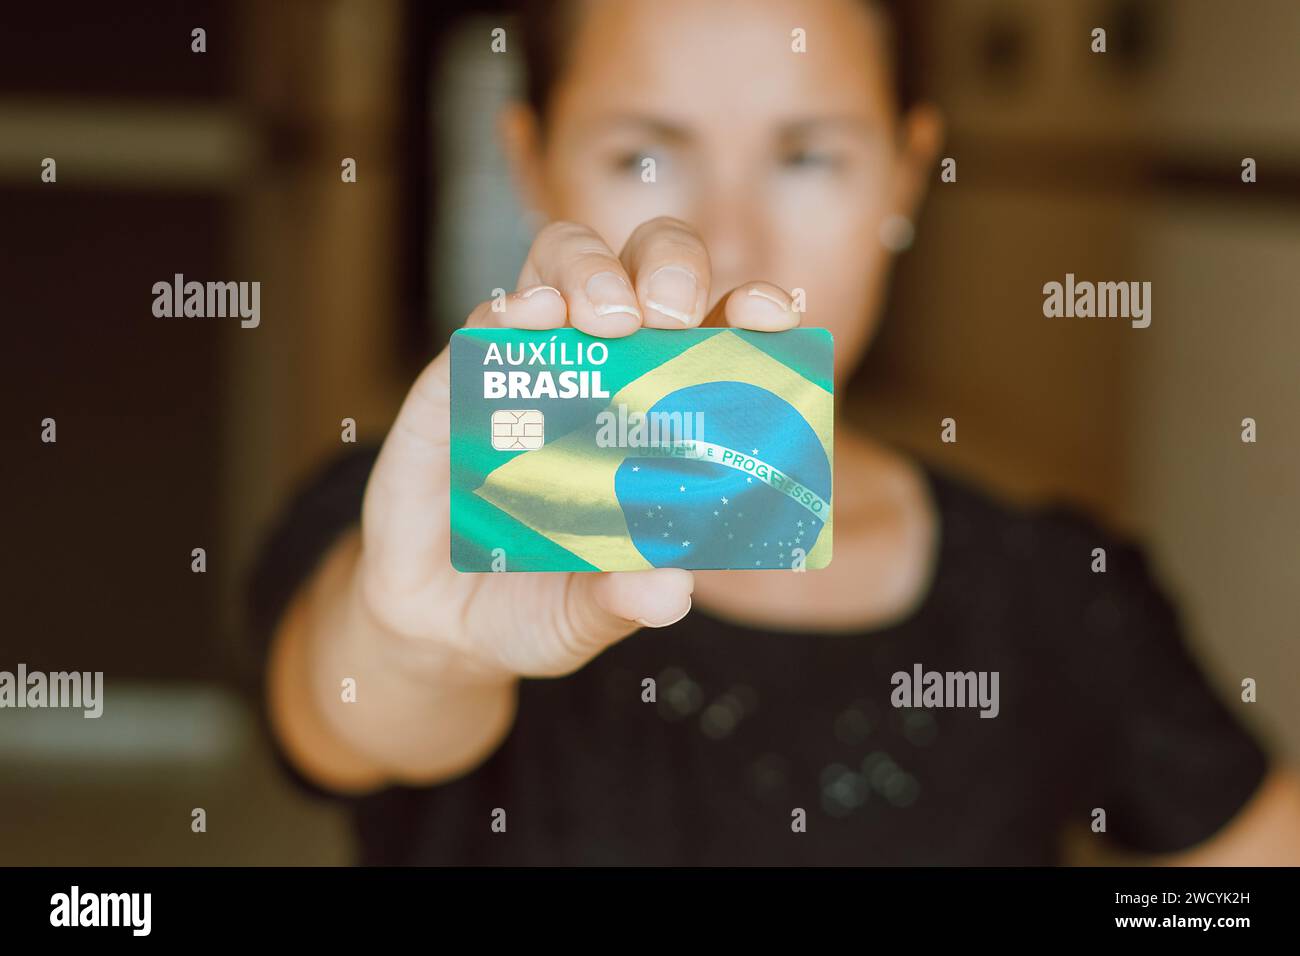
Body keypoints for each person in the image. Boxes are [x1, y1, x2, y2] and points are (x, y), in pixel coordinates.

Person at [248, 0, 1300, 864]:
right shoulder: (409, 511)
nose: (730, 243)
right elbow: (346, 711)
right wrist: (409, 644)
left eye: (807, 158)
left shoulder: (1054, 591)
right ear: (531, 165)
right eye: (644, 157)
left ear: (902, 171)